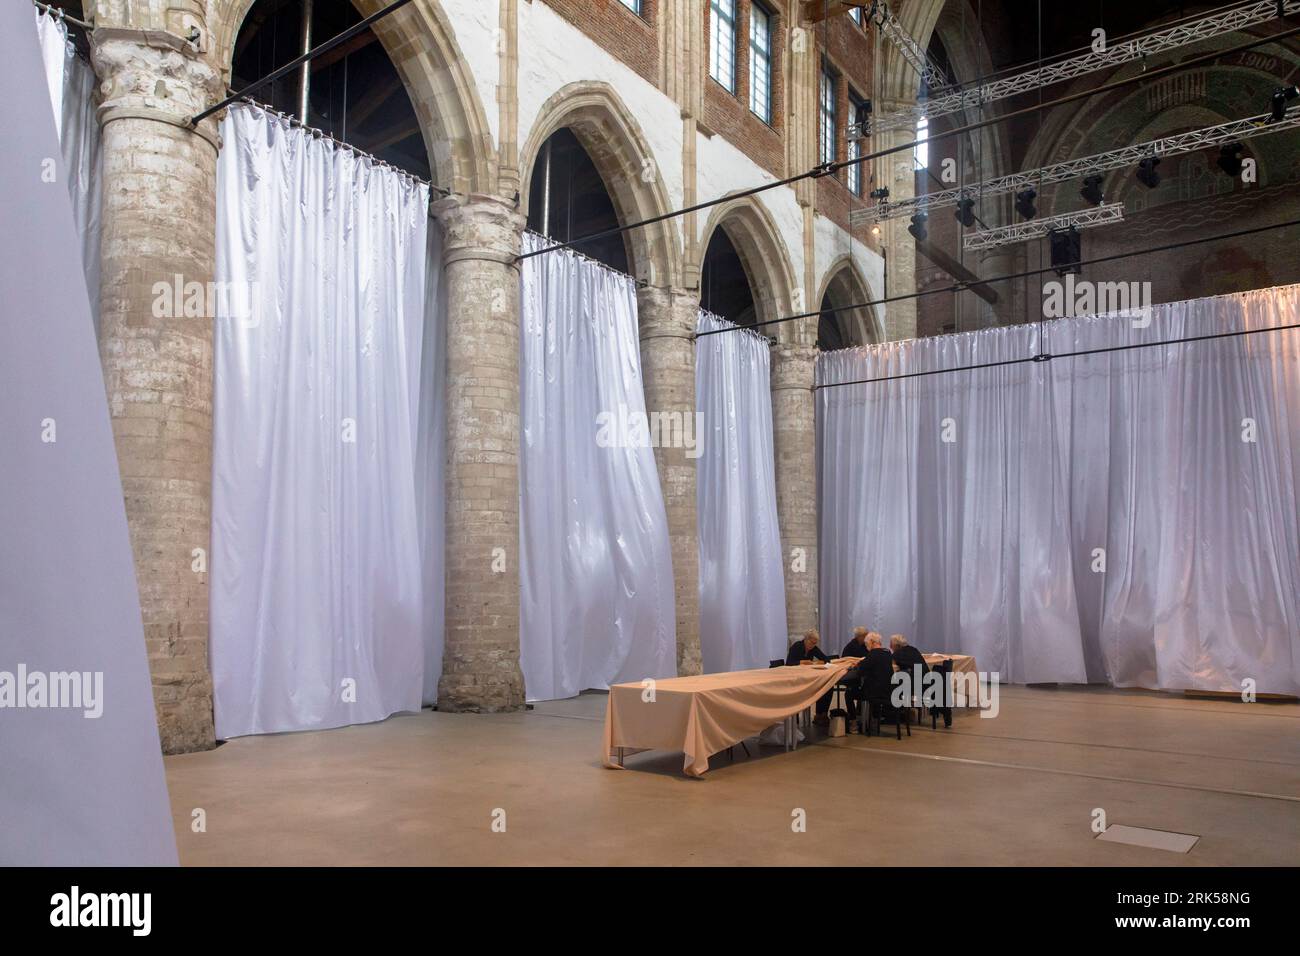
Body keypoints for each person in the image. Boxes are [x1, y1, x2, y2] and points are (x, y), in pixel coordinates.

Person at [786, 630, 832, 724]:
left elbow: (826, 659)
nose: (813, 645)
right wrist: (801, 662)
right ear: (806, 639)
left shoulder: (813, 648)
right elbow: (789, 664)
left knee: (827, 686)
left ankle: (821, 714)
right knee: (821, 686)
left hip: (809, 678)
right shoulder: (797, 646)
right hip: (796, 679)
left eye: (815, 643)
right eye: (812, 643)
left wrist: (818, 662)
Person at [838, 627, 871, 726]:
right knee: (850, 692)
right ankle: (853, 719)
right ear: (859, 637)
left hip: (863, 675)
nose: (867, 638)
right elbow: (844, 662)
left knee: (864, 688)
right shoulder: (850, 646)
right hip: (853, 676)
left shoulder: (866, 646)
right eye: (865, 636)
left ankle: (862, 714)